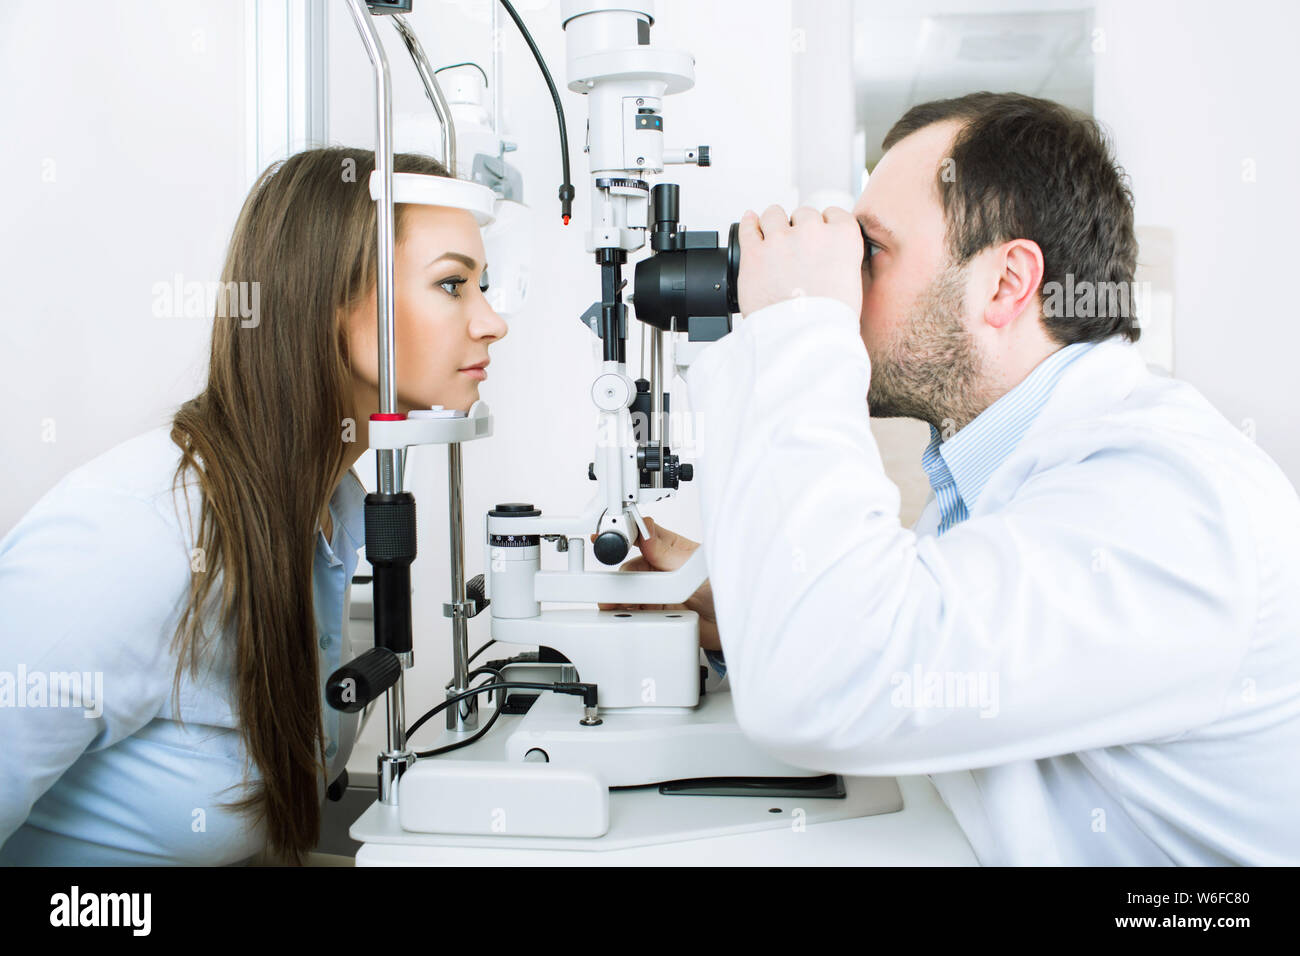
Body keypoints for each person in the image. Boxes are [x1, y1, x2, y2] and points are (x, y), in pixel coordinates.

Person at [618, 93, 1300, 865]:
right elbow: (928, 652)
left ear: (1008, 283)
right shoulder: (997, 466)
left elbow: (831, 681)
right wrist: (740, 612)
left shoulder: (1170, 504)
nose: (848, 281)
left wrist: (800, 324)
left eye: (869, 250)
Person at [0, 146, 507, 864]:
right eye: (453, 284)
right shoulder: (135, 537)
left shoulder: (328, 518)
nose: (492, 322)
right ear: (329, 297)